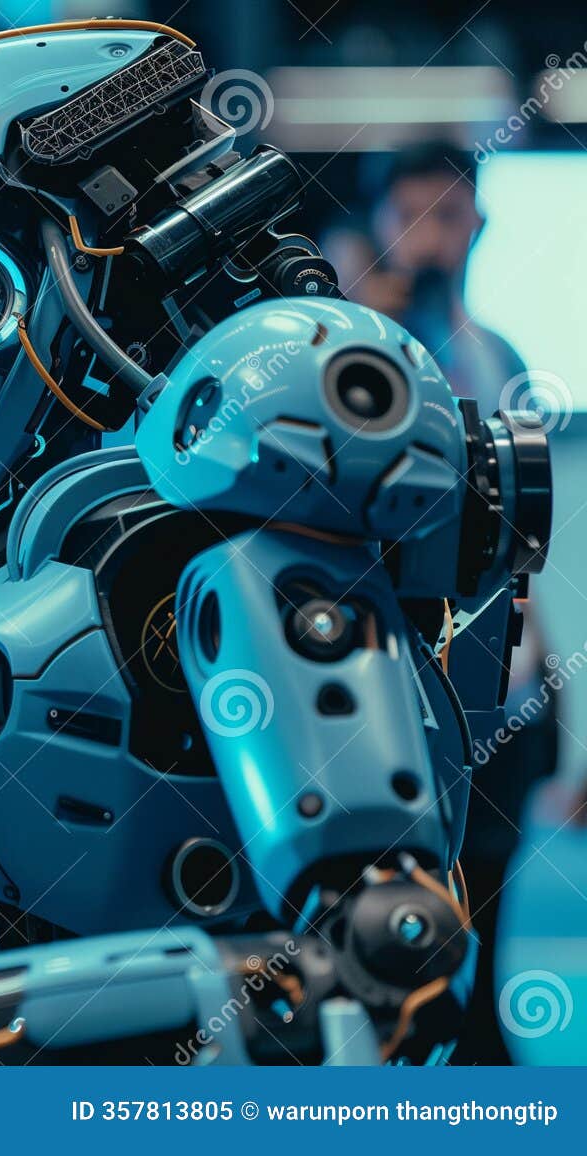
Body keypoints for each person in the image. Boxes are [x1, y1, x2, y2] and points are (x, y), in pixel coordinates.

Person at [326, 141, 556, 1064]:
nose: (432, 240)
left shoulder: (496, 352)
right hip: (383, 676)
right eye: (412, 220)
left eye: (450, 218)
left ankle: (481, 1066)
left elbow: (522, 543)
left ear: (481, 224)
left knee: (486, 905)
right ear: (378, 225)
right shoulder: (350, 349)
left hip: (499, 669)